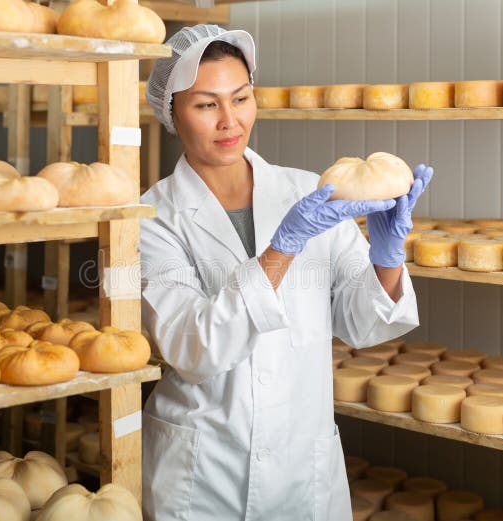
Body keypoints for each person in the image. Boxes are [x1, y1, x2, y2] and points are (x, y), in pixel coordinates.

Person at [140, 24, 433, 521]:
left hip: (303, 468)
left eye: (241, 98)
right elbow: (194, 349)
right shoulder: (151, 217)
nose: (229, 121)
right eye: (206, 104)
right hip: (205, 471)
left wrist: (386, 255)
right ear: (172, 112)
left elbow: (363, 324)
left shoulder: (307, 193)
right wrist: (284, 245)